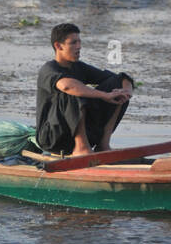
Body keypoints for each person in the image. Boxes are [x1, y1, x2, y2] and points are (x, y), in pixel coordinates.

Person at [34, 23, 134, 157]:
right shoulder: (48, 69)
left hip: (82, 133)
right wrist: (104, 95)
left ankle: (103, 145)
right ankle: (81, 148)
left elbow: (121, 79)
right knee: (73, 91)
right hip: (52, 137)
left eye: (79, 42)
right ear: (58, 46)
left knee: (117, 86)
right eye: (73, 43)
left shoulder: (79, 67)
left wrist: (125, 92)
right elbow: (67, 86)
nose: (79, 47)